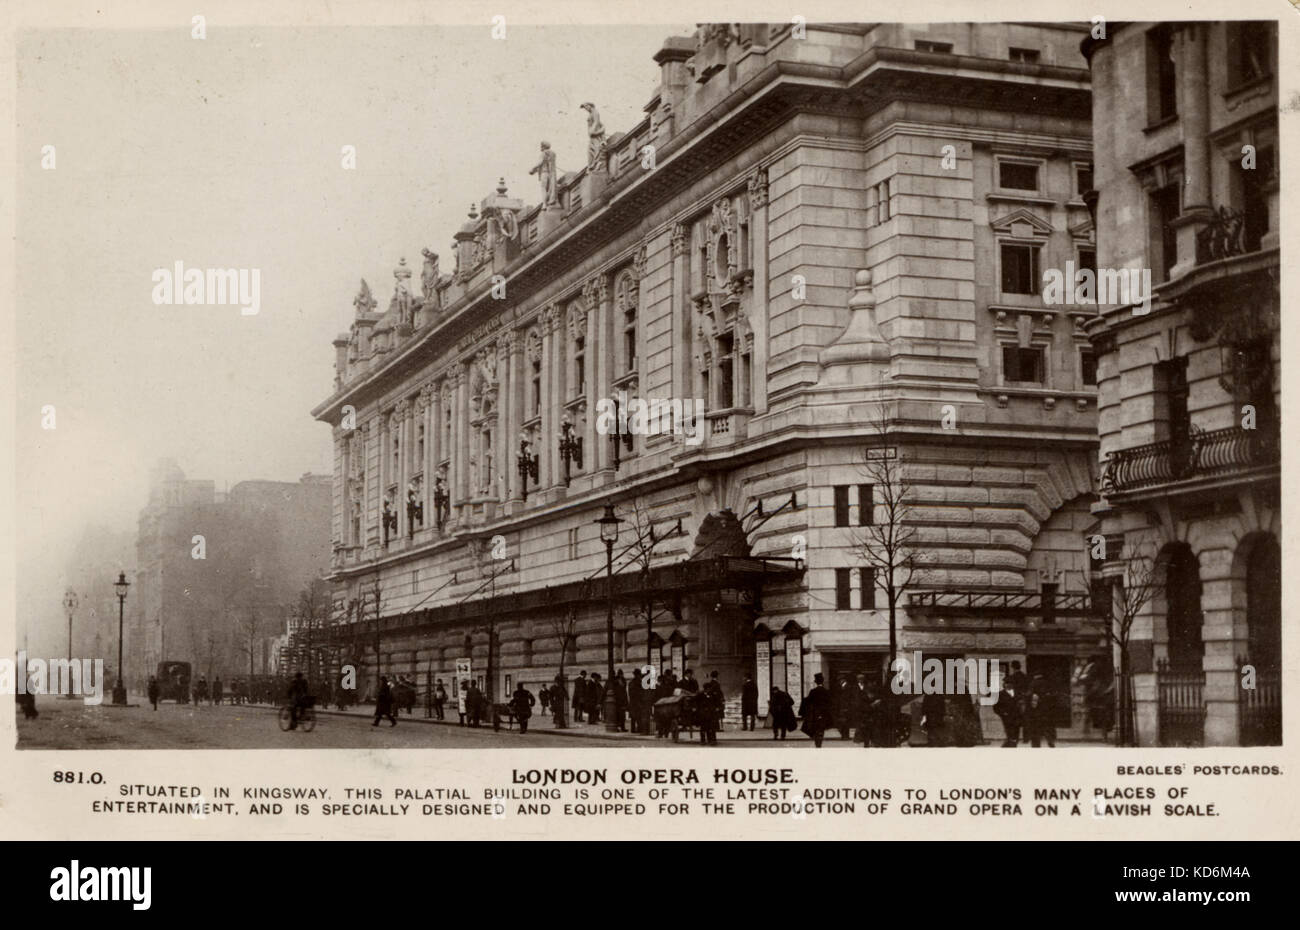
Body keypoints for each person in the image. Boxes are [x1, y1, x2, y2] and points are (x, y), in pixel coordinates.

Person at [798, 673, 833, 747]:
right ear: (822, 682)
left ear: (816, 682)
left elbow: (808, 702)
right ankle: (820, 741)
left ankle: (817, 742)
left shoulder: (813, 691)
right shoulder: (826, 691)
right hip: (823, 713)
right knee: (821, 728)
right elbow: (829, 703)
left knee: (815, 727)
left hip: (815, 713)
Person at [1026, 675, 1057, 747]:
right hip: (1046, 710)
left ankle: (1036, 745)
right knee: (1047, 727)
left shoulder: (1033, 683)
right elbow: (1053, 696)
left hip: (1036, 710)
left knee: (1036, 729)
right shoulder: (1048, 683)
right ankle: (1050, 741)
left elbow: (1029, 695)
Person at [994, 679, 1022, 747]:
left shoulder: (1018, 693)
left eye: (1010, 683)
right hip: (1007, 718)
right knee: (1010, 734)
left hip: (1017, 717)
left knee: (1016, 735)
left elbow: (1022, 703)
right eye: (1006, 683)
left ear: (1013, 684)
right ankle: (1009, 747)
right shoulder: (1000, 694)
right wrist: (1003, 713)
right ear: (1004, 685)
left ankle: (1012, 746)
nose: (1008, 685)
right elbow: (996, 707)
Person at [700, 672, 724, 745]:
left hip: (711, 713)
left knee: (712, 727)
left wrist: (718, 707)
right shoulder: (701, 696)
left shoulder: (712, 695)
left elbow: (717, 701)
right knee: (704, 728)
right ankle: (703, 740)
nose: (707, 690)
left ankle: (712, 740)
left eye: (708, 689)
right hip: (704, 714)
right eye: (706, 689)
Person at [627, 669, 645, 734]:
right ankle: (639, 728)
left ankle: (633, 729)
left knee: (633, 717)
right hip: (637, 701)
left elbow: (630, 693)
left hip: (633, 701)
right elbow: (640, 692)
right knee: (638, 716)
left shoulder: (631, 682)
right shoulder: (638, 682)